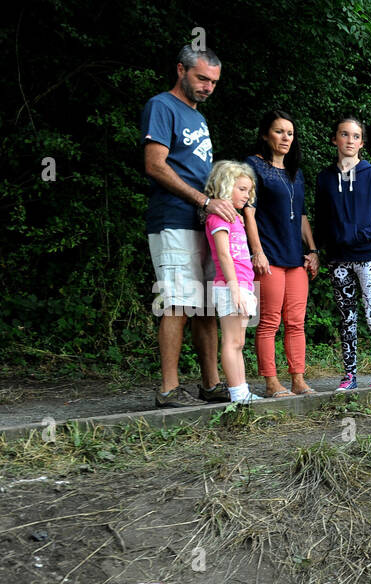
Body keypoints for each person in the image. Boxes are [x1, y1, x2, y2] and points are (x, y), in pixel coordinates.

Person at [141, 46, 233, 408]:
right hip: (173, 218)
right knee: (177, 303)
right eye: (202, 79)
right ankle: (168, 389)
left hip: (202, 222)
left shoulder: (198, 117)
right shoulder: (162, 106)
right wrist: (202, 200)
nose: (208, 87)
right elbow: (155, 165)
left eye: (214, 82)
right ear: (180, 69)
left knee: (207, 305)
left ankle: (210, 384)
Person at [315, 117, 371, 390]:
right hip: (338, 259)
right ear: (334, 139)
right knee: (346, 318)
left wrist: (361, 235)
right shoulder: (324, 179)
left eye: (356, 136)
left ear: (362, 142)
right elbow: (322, 219)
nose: (350, 140)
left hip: (369, 258)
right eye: (344, 134)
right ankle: (349, 375)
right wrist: (325, 246)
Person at [244, 109, 320, 398]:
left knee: (296, 322)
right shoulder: (253, 166)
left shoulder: (295, 173)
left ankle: (298, 380)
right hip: (270, 257)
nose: (285, 137)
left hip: (295, 258)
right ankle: (272, 383)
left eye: (289, 132)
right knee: (269, 322)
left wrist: (312, 250)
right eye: (279, 131)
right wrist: (257, 252)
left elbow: (300, 215)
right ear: (265, 135)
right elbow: (248, 213)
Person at [203, 161, 260, 403]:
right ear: (226, 187)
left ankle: (242, 391)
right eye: (242, 189)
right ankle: (238, 393)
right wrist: (234, 287)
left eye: (249, 191)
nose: (247, 196)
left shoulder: (236, 219)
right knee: (232, 340)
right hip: (230, 286)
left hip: (243, 285)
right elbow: (224, 255)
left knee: (239, 342)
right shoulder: (218, 218)